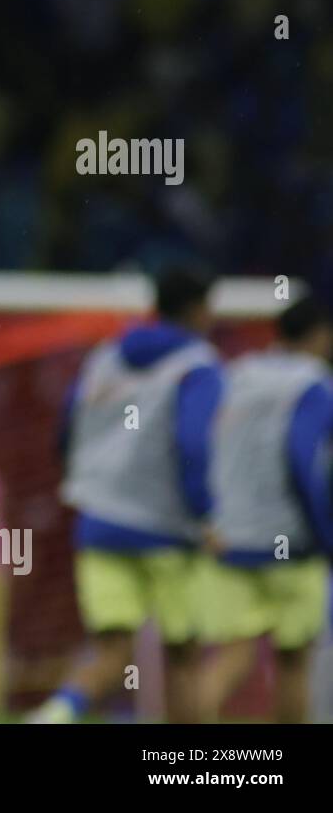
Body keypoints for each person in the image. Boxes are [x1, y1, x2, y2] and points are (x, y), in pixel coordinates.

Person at [30, 266, 222, 723]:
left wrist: (91, 485)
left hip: (99, 521)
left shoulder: (105, 355)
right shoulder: (199, 365)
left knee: (110, 650)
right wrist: (206, 513)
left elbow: (64, 431)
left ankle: (54, 715)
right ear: (198, 309)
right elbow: (193, 443)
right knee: (184, 656)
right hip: (169, 529)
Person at [199, 295, 333, 722]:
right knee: (293, 664)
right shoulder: (313, 384)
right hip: (291, 542)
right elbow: (303, 459)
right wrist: (325, 534)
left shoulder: (237, 374)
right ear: (319, 335)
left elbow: (198, 443)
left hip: (231, 539)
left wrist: (206, 514)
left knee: (233, 660)